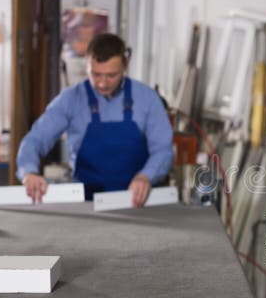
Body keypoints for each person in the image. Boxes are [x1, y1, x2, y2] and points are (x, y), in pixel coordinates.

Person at [16, 33, 174, 206]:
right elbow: (35, 139)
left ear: (125, 65)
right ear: (87, 64)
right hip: (85, 203)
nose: (102, 83)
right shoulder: (71, 99)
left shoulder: (147, 98)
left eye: (111, 75)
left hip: (137, 202)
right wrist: (28, 172)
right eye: (96, 75)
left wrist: (146, 176)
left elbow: (163, 149)